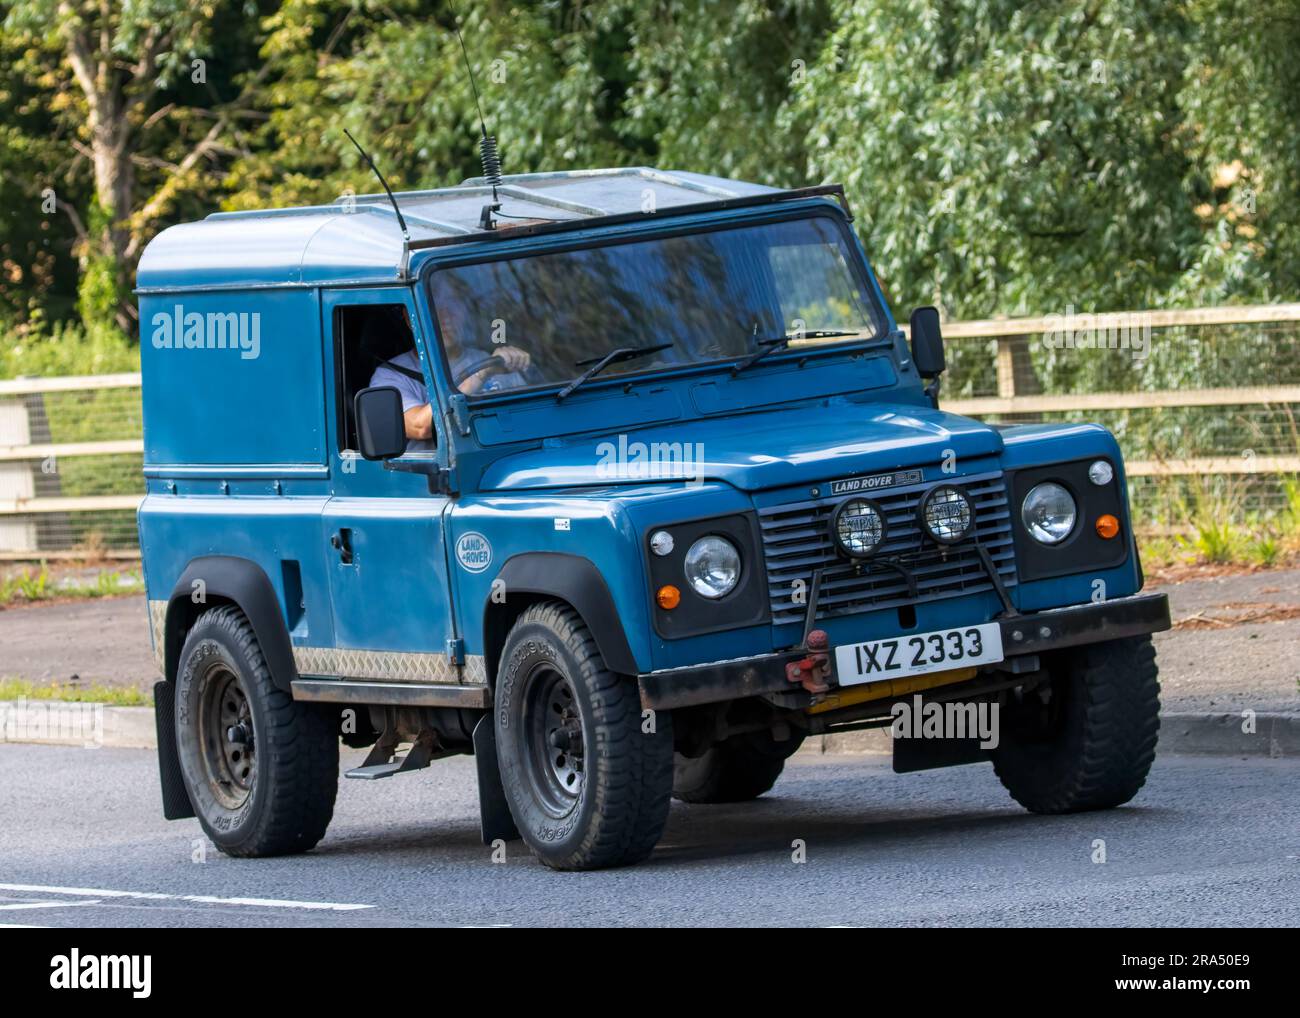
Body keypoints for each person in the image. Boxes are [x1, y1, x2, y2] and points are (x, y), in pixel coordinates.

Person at [365, 307, 531, 452]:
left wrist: (519, 361)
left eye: (453, 306)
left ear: (464, 312)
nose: (446, 317)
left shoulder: (491, 360)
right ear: (410, 319)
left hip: (501, 457)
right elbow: (420, 426)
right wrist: (480, 375)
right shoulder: (389, 375)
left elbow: (528, 417)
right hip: (433, 479)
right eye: (433, 306)